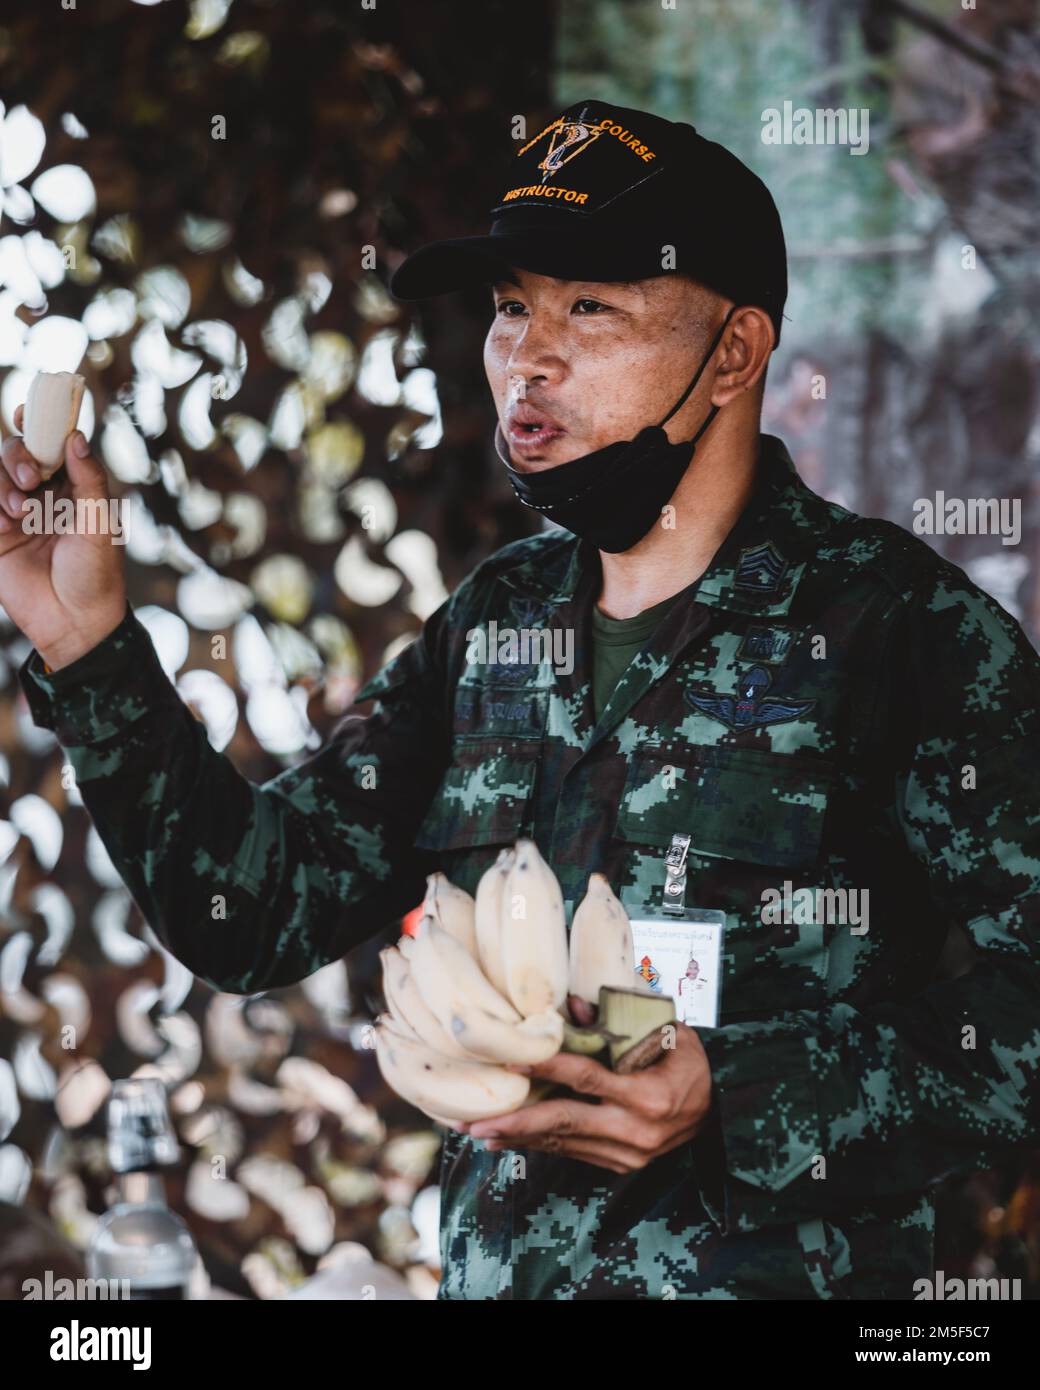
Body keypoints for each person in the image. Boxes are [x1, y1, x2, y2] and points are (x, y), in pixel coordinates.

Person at [3, 100, 1039, 1300]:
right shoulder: (495, 621)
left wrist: (737, 1087)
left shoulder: (898, 630)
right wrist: (88, 650)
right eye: (510, 308)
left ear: (737, 350)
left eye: (589, 306)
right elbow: (252, 908)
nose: (528, 357)